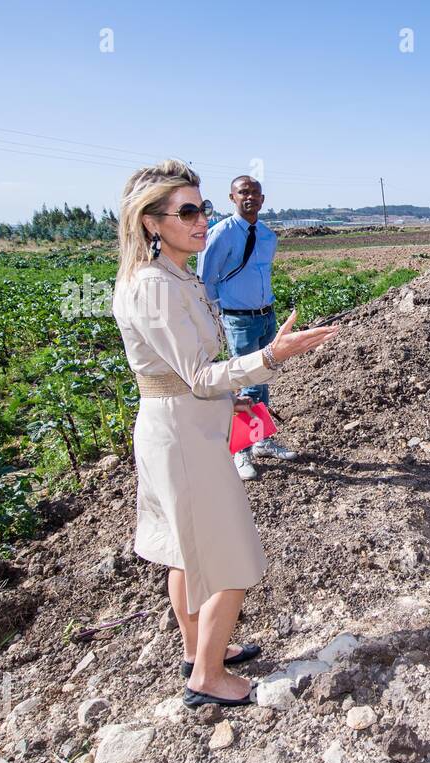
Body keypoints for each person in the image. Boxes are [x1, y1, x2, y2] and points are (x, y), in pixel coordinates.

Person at [113, 159, 338, 707]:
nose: (201, 221)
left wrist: (230, 391)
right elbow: (196, 374)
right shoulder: (156, 288)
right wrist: (269, 358)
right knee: (231, 556)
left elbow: (181, 373)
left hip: (179, 424)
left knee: (183, 553)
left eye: (201, 208)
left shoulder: (173, 276)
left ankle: (198, 652)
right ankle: (208, 679)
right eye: (186, 211)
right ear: (150, 221)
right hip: (183, 437)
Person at [197, 175, 295, 480]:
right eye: (243, 193)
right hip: (237, 318)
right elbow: (205, 280)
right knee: (246, 382)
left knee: (262, 378)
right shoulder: (221, 234)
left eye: (255, 193)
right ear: (232, 198)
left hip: (266, 315)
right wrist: (216, 317)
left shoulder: (267, 236)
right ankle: (239, 451)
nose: (249, 197)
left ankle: (260, 441)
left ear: (263, 199)